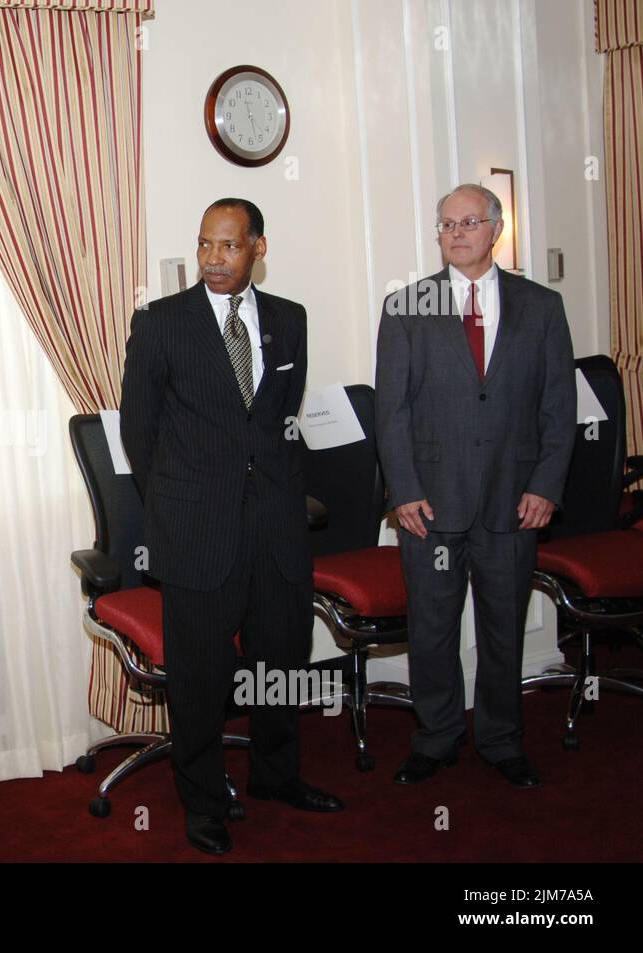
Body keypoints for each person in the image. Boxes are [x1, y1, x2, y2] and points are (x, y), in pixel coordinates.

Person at [120, 199, 342, 856]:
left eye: (229, 245)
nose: (213, 259)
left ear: (258, 248)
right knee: (200, 677)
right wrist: (178, 506)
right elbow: (139, 430)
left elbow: (277, 420)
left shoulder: (289, 319)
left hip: (276, 526)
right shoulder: (161, 322)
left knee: (282, 659)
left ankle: (277, 775)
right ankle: (204, 802)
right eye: (204, 245)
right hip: (197, 531)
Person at [374, 183, 576, 789]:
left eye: (468, 222)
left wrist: (546, 484)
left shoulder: (541, 306)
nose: (456, 233)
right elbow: (391, 411)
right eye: (446, 224)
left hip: (513, 502)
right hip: (430, 504)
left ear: (496, 229)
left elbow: (558, 406)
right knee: (432, 629)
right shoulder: (406, 307)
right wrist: (403, 491)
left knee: (503, 628)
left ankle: (501, 739)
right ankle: (435, 737)